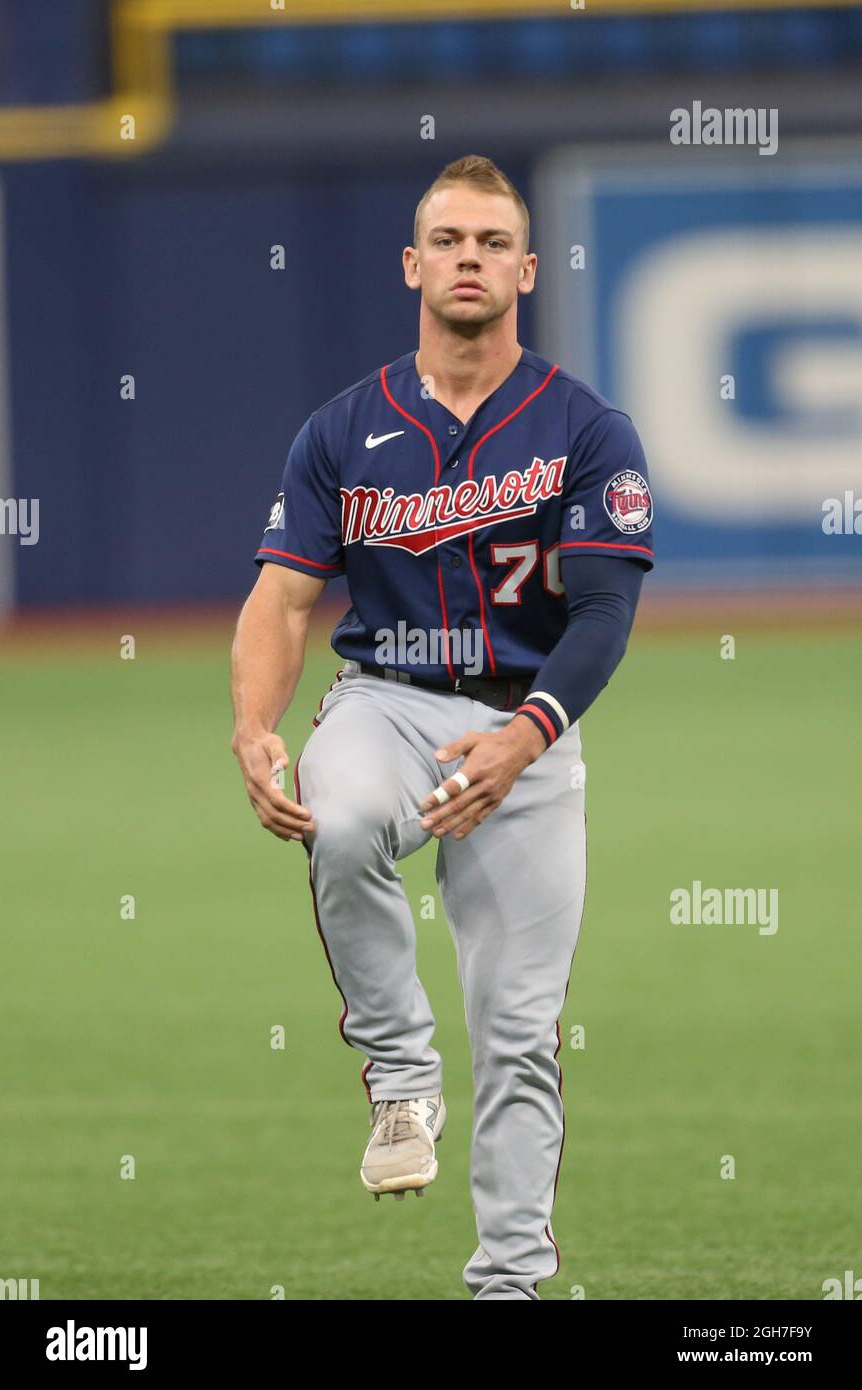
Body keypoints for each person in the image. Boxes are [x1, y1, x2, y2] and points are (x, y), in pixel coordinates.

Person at [230, 155, 654, 1300]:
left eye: (490, 241)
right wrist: (254, 725)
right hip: (386, 701)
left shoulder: (586, 429)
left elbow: (605, 610)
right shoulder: (340, 430)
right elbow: (281, 599)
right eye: (448, 239)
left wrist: (523, 736)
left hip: (530, 720)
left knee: (518, 1036)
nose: (469, 258)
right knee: (345, 808)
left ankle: (507, 1284)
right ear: (414, 264)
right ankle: (400, 1074)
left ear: (525, 265)